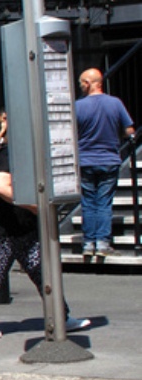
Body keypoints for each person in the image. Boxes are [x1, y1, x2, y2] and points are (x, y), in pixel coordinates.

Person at [0, 143, 91, 339]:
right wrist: (36, 207)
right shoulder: (13, 151)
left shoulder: (28, 152)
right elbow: (0, 186)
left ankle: (61, 317)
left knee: (41, 271)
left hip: (22, 225)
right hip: (2, 227)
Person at [75, 68, 136, 256]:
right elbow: (129, 131)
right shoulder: (115, 103)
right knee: (103, 203)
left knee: (88, 202)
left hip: (85, 160)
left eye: (81, 84)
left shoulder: (77, 106)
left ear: (87, 83)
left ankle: (88, 244)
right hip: (109, 159)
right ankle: (102, 243)